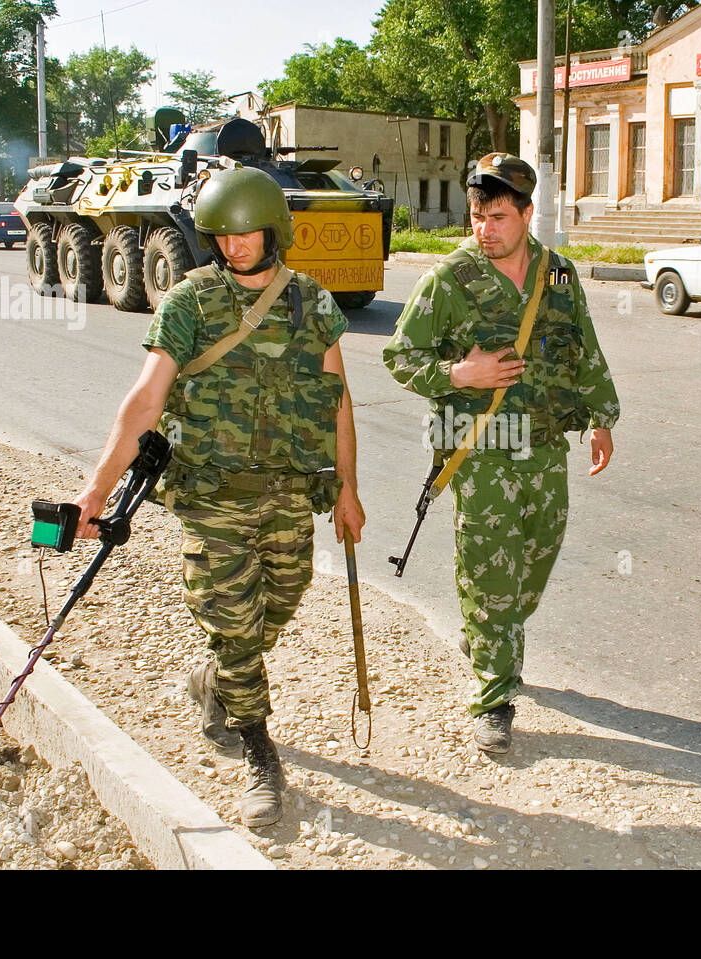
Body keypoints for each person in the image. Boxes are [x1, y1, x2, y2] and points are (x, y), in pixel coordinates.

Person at [70, 166, 365, 828]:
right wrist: (97, 488)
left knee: (276, 608)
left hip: (290, 493)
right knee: (235, 627)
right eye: (222, 236)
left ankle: (215, 677)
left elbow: (338, 406)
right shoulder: (191, 303)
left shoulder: (312, 304)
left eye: (247, 234)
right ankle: (261, 753)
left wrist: (348, 490)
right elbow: (146, 399)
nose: (234, 247)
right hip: (212, 499)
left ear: (274, 231)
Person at [382, 153, 620, 753]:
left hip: (542, 447)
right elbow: (400, 357)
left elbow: (583, 350)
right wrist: (461, 374)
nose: (484, 228)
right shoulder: (449, 281)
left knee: (534, 563)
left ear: (526, 213)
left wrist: (600, 418)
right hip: (481, 451)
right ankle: (494, 697)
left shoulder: (558, 276)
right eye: (476, 216)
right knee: (491, 573)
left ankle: (490, 631)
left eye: (496, 216)